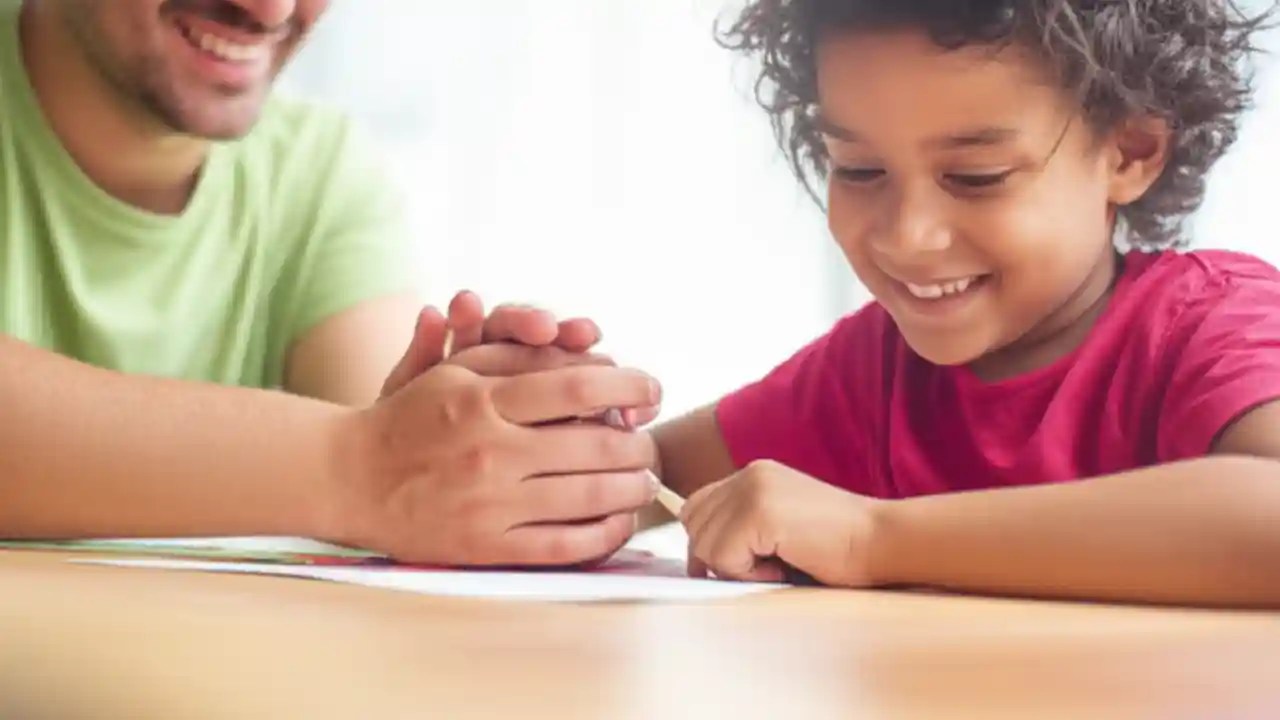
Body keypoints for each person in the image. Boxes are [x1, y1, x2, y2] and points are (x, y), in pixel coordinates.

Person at [647, 0, 1280, 607]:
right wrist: (568, 443)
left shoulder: (1211, 323)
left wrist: (871, 539)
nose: (908, 236)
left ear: (1130, 152)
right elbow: (646, 474)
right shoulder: (870, 374)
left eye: (977, 177)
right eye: (858, 170)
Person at [0, 0, 661, 567]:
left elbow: (387, 432)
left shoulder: (317, 173)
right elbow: (375, 457)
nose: (273, 9)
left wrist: (499, 444)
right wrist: (368, 468)